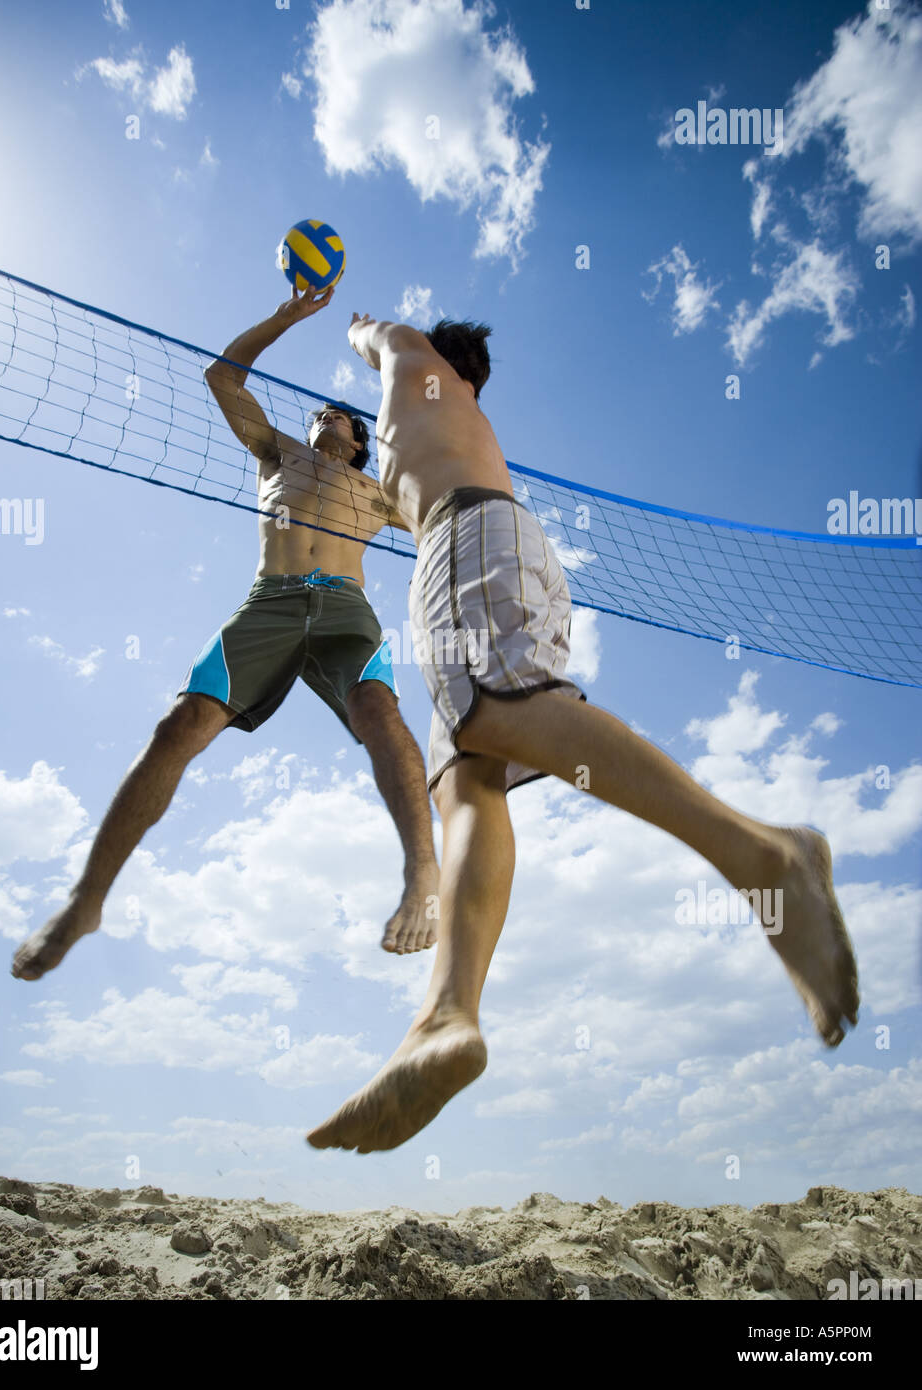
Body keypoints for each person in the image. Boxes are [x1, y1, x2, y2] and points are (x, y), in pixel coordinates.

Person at [305, 313, 860, 1155]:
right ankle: (446, 1018)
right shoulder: (427, 437)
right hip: (468, 545)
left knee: (499, 706)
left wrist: (350, 321)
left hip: (468, 539)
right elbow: (371, 503)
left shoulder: (408, 365)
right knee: (467, 781)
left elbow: (377, 333)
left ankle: (763, 856)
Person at [11, 287, 439, 983]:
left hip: (344, 609)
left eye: (334, 414)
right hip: (266, 603)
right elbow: (222, 377)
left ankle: (422, 873)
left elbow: (444, 517)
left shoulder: (380, 492)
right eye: (316, 413)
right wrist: (287, 317)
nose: (320, 416)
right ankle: (84, 903)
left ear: (357, 439)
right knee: (179, 725)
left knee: (379, 711)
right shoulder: (279, 454)